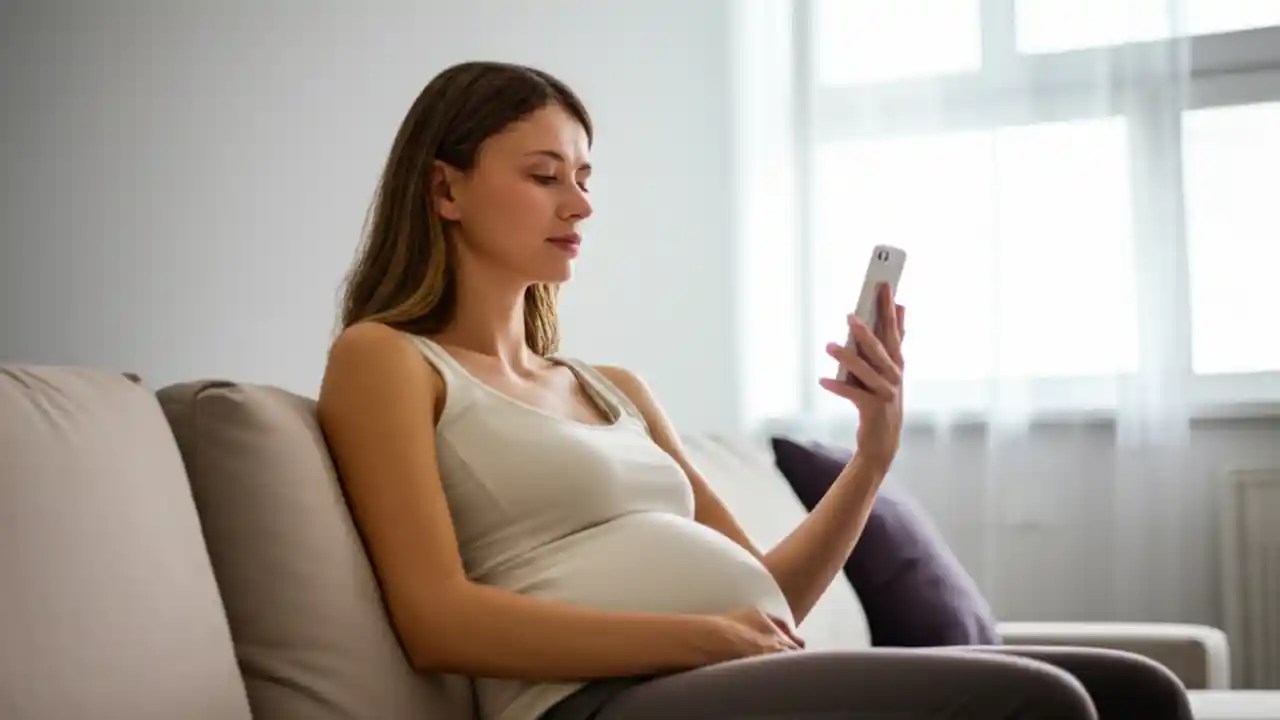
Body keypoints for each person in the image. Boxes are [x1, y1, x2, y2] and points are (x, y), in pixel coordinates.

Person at [316, 61, 1191, 720]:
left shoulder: (613, 388)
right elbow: (437, 621)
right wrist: (694, 637)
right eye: (545, 176)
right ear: (445, 188)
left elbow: (767, 594)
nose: (578, 205)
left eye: (586, 177)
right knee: (1040, 705)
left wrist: (874, 454)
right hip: (590, 702)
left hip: (724, 673)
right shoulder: (388, 359)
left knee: (1138, 692)